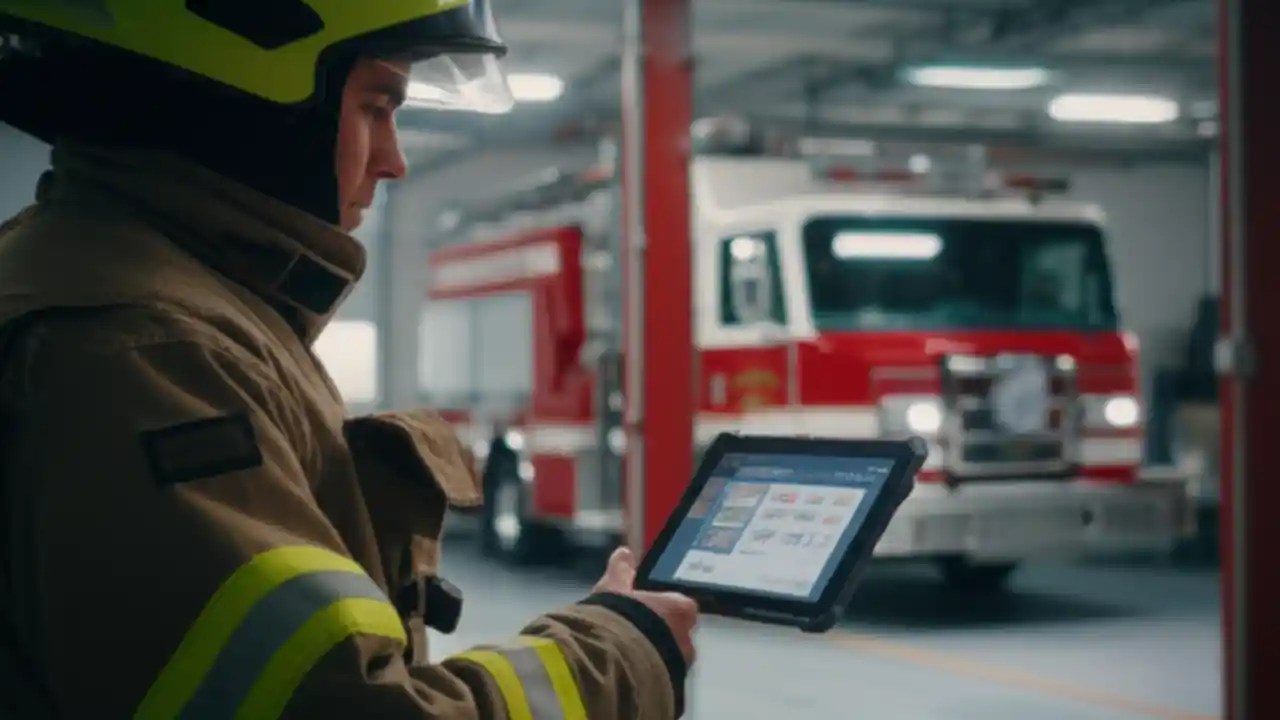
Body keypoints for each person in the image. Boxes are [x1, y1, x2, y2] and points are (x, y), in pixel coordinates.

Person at [0, 2, 698, 718]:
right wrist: (618, 651)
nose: (393, 159)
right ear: (243, 99)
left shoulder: (148, 299)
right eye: (375, 107)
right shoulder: (149, 352)